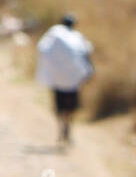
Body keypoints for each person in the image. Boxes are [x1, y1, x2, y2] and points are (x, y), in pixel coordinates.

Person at [35, 13, 95, 145]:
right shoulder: (77, 38)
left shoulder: (54, 35)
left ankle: (62, 127)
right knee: (70, 107)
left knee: (59, 106)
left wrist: (52, 68)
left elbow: (42, 49)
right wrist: (87, 72)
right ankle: (67, 127)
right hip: (73, 80)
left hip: (57, 78)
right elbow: (87, 54)